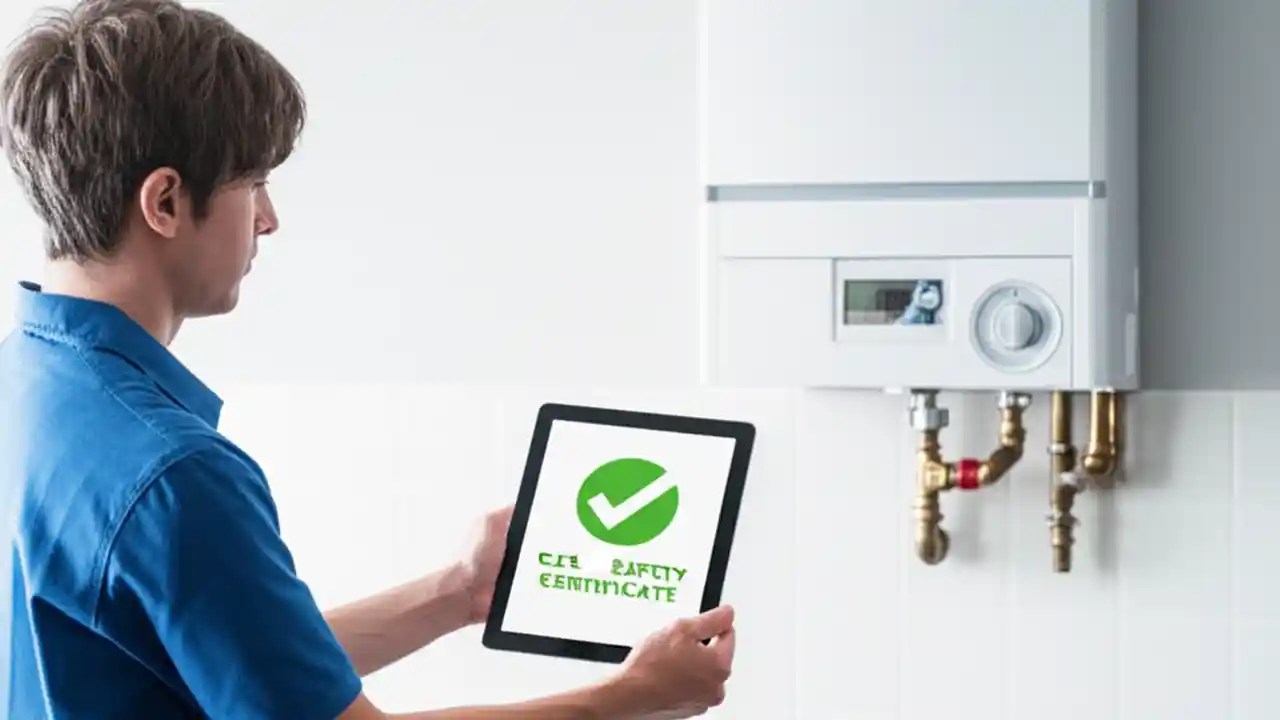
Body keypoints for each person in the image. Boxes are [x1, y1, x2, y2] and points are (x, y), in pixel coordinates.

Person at [0, 0, 736, 717]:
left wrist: (456, 592)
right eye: (251, 183)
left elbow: (251, 666)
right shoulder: (174, 475)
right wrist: (628, 697)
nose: (268, 218)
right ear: (163, 202)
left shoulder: (24, 380)